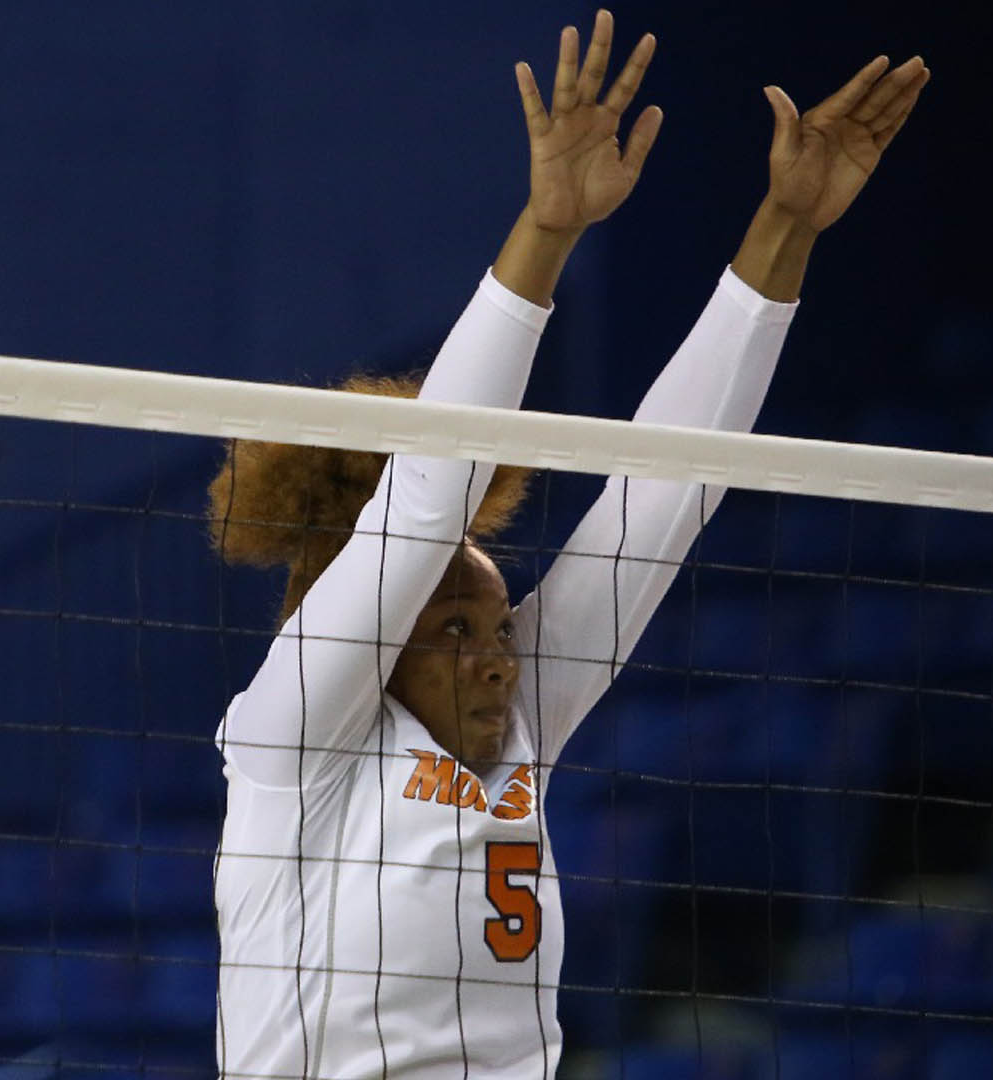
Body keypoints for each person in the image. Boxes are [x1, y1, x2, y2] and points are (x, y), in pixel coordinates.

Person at [206, 10, 928, 1076]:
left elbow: (666, 493)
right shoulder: (292, 734)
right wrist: (547, 234)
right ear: (374, 638)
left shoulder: (518, 722)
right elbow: (424, 498)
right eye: (457, 628)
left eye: (496, 624)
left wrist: (786, 225)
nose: (499, 654)